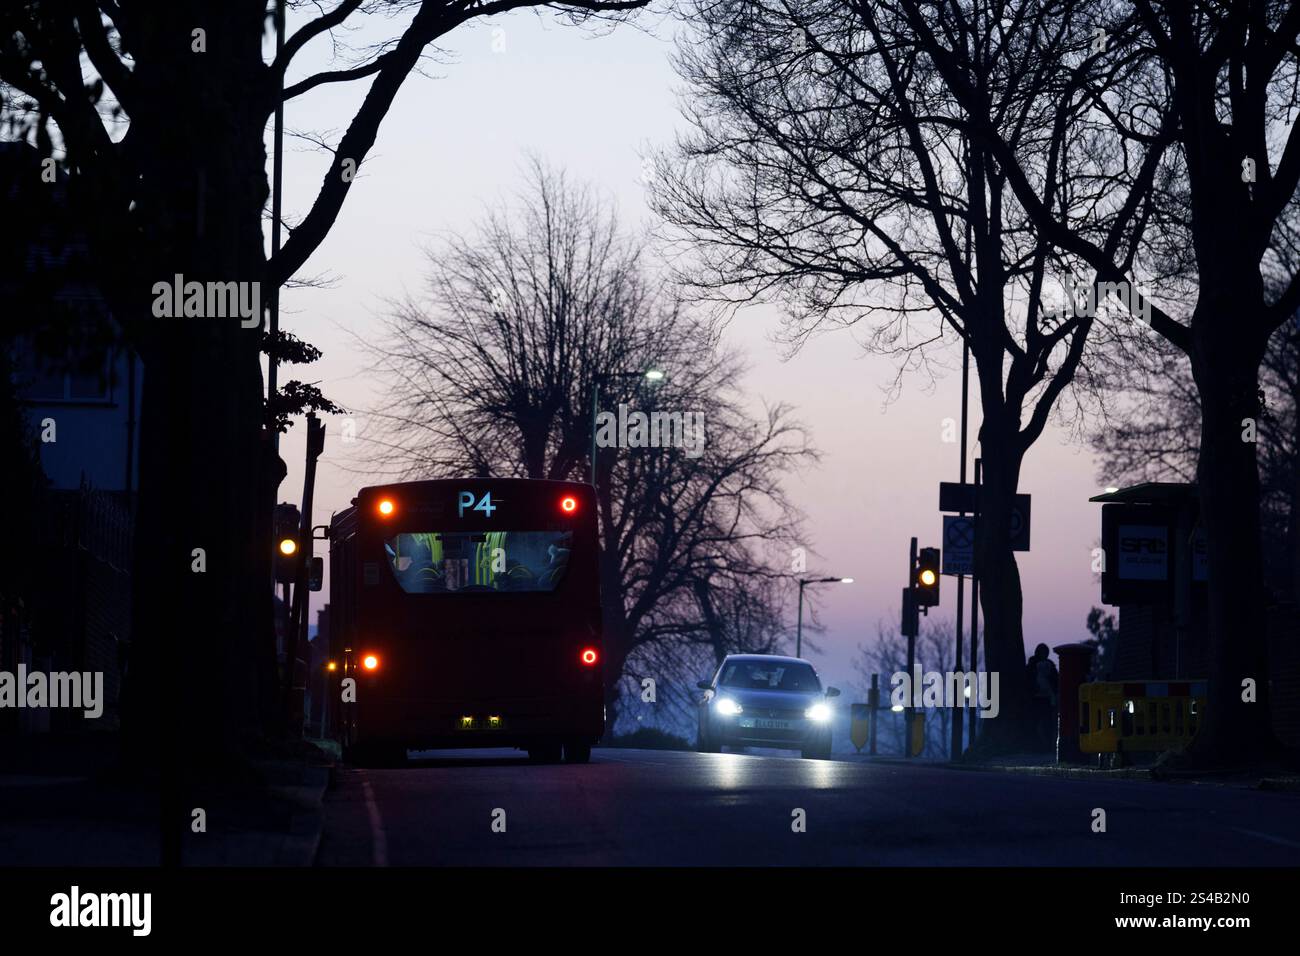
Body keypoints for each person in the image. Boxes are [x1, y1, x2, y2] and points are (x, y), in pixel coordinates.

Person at [1025, 644, 1059, 752]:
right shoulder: (1034, 665)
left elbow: (1055, 680)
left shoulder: (1048, 665)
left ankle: (1046, 745)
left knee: (1046, 723)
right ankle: (1040, 745)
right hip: (1037, 698)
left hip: (1045, 698)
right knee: (1038, 722)